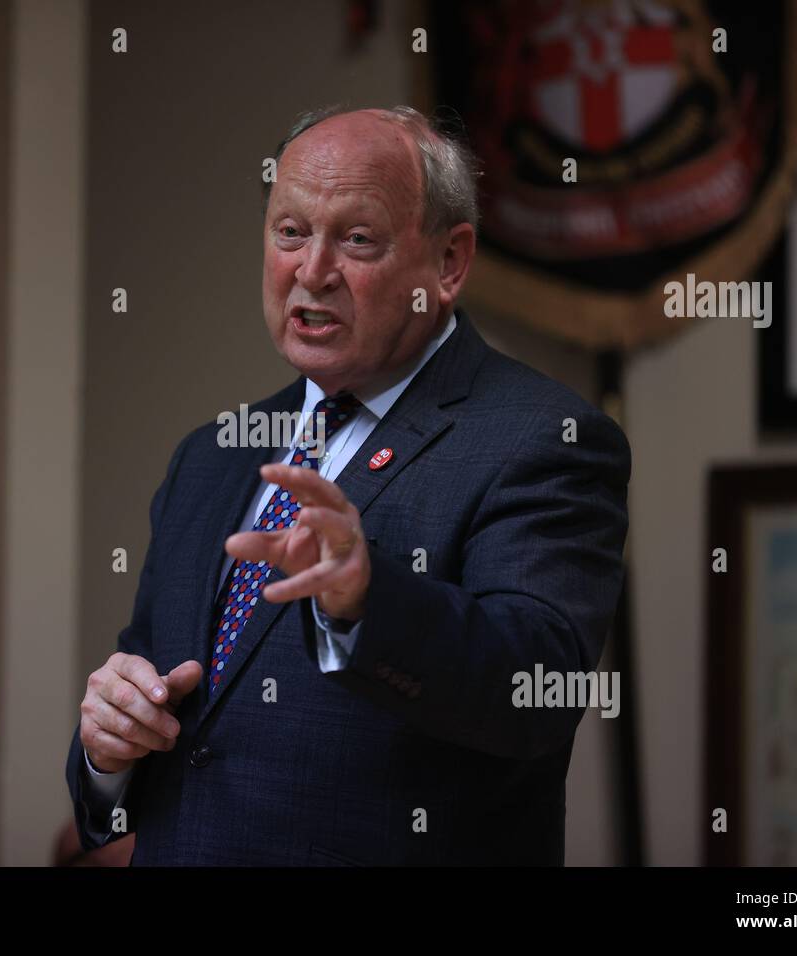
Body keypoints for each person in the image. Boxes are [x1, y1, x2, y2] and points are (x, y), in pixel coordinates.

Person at [64, 105, 631, 865]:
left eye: (357, 239)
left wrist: (369, 603)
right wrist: (109, 750)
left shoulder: (542, 438)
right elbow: (161, 724)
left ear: (449, 263)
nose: (312, 270)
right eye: (290, 232)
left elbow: (536, 691)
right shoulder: (211, 456)